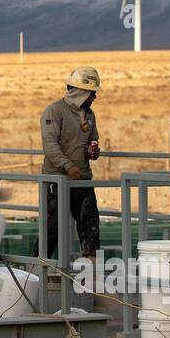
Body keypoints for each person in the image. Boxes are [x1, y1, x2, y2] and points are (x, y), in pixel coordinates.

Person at [38, 66, 102, 262]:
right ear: (81, 92)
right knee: (52, 228)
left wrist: (92, 151)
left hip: (82, 179)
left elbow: (93, 140)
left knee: (90, 223)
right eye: (92, 93)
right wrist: (68, 166)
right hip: (57, 180)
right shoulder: (54, 111)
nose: (94, 98)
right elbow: (50, 145)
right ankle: (38, 268)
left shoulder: (89, 115)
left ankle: (91, 267)